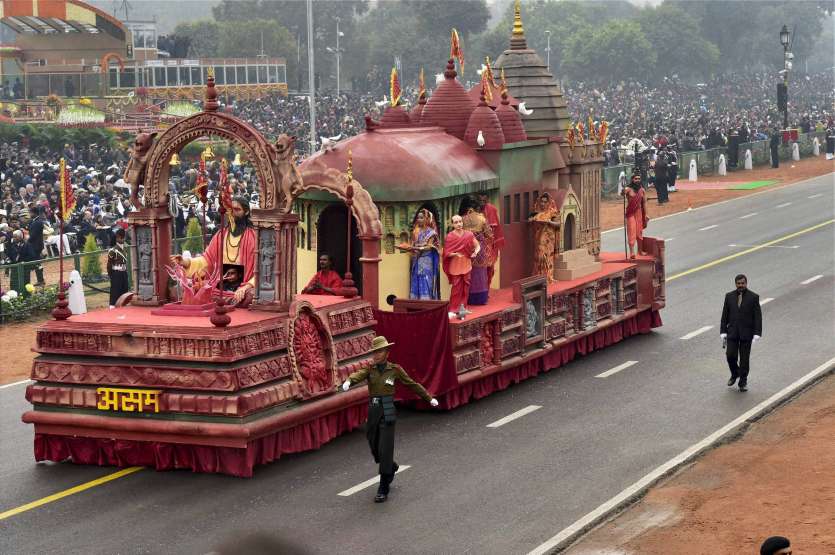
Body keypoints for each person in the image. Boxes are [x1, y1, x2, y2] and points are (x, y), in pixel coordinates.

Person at [341, 335, 439, 502]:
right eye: (375, 352)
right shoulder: (370, 369)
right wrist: (349, 381)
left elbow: (411, 384)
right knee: (374, 444)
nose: (376, 355)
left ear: (387, 352)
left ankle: (383, 487)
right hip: (373, 410)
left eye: (380, 351)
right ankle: (391, 466)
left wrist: (429, 398)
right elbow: (358, 374)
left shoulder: (395, 370)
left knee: (385, 449)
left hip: (387, 410)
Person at [170, 196, 256, 304]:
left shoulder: (254, 237)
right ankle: (225, 299)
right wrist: (185, 262)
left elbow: (260, 271)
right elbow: (207, 260)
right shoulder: (221, 235)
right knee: (188, 289)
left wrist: (246, 286)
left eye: (237, 210)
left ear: (246, 212)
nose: (233, 213)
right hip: (220, 285)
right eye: (231, 210)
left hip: (243, 286)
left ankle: (225, 299)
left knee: (251, 295)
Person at [720, 274, 762, 392]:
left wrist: (757, 333)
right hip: (732, 332)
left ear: (746, 283)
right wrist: (723, 331)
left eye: (742, 283)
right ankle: (735, 373)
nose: (741, 285)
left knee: (744, 360)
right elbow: (724, 315)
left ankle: (743, 382)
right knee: (730, 355)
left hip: (746, 333)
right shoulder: (729, 296)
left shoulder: (753, 297)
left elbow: (758, 317)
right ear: (735, 284)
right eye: (738, 283)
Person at [442, 214, 479, 313]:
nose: (459, 224)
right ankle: (453, 309)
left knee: (466, 287)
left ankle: (463, 308)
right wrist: (454, 254)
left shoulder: (469, 234)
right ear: (452, 224)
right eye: (456, 222)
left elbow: (477, 245)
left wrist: (476, 252)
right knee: (456, 288)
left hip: (466, 264)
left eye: (460, 221)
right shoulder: (449, 237)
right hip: (455, 265)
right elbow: (446, 253)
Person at [402, 208, 440, 300]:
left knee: (425, 279)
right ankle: (416, 302)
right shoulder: (416, 231)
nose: (419, 220)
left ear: (427, 219)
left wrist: (419, 248)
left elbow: (430, 247)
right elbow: (413, 245)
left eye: (421, 218)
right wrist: (409, 248)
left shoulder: (431, 233)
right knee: (416, 279)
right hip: (417, 259)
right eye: (418, 218)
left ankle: (426, 301)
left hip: (426, 259)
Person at [462, 198, 493, 305]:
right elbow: (489, 234)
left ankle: (468, 298)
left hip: (467, 248)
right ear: (477, 207)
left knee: (468, 272)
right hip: (480, 249)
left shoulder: (463, 219)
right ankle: (480, 299)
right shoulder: (481, 218)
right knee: (480, 272)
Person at [528, 192, 559, 281]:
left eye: (545, 202)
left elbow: (558, 224)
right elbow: (529, 221)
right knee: (539, 256)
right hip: (539, 238)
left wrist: (549, 222)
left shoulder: (552, 212)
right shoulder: (537, 212)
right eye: (541, 201)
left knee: (547, 257)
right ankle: (538, 277)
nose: (543, 203)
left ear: (549, 203)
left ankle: (548, 277)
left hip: (549, 240)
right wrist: (532, 220)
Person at [477, 192, 505, 288]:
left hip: (489, 245)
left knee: (489, 269)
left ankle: (487, 289)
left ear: (487, 200)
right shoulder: (474, 210)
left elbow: (496, 228)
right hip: (477, 245)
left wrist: (495, 244)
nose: (482, 203)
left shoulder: (492, 209)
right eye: (480, 200)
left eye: (484, 201)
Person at [622, 173, 648, 259]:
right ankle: (632, 252)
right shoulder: (628, 189)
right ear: (632, 180)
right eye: (636, 179)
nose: (637, 180)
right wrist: (623, 189)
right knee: (631, 231)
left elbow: (644, 202)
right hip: (630, 213)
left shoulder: (642, 190)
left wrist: (646, 214)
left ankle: (640, 251)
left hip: (639, 212)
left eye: (639, 179)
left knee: (639, 232)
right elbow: (622, 193)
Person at [107, 228, 129, 308]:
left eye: (123, 237)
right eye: (121, 237)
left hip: (124, 272)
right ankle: (112, 306)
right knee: (115, 290)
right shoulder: (113, 250)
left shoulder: (125, 248)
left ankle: (123, 305)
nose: (123, 239)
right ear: (117, 238)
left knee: (125, 289)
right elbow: (109, 264)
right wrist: (111, 275)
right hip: (116, 272)